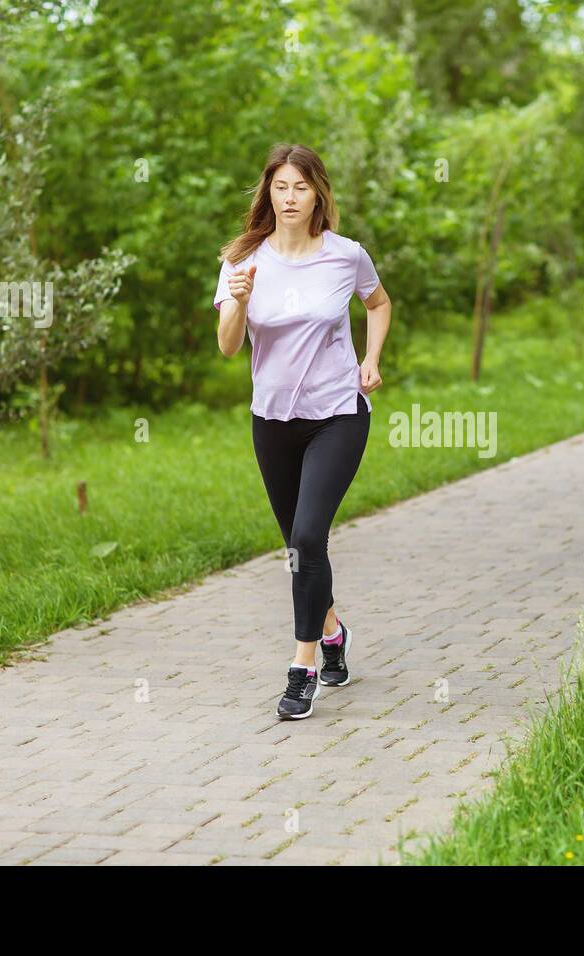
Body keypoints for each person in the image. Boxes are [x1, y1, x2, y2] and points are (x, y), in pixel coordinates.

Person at [214, 143, 391, 720]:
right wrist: (237, 302)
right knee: (300, 547)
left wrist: (371, 357)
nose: (289, 198)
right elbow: (228, 345)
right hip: (272, 421)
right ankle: (334, 630)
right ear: (268, 191)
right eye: (280, 187)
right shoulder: (243, 260)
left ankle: (302, 666)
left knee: (309, 536)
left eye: (301, 188)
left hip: (338, 411)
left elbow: (379, 302)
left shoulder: (345, 256)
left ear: (319, 194)